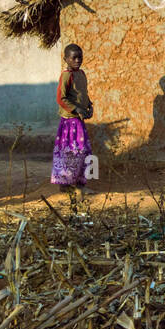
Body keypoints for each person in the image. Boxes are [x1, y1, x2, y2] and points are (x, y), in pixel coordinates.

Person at [51, 43, 93, 208]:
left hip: (79, 120)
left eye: (80, 57)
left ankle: (81, 183)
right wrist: (77, 109)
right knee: (74, 150)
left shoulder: (81, 74)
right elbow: (61, 98)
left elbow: (83, 93)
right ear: (66, 59)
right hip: (70, 121)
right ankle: (68, 184)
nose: (77, 60)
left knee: (84, 150)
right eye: (73, 58)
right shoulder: (66, 75)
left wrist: (89, 105)